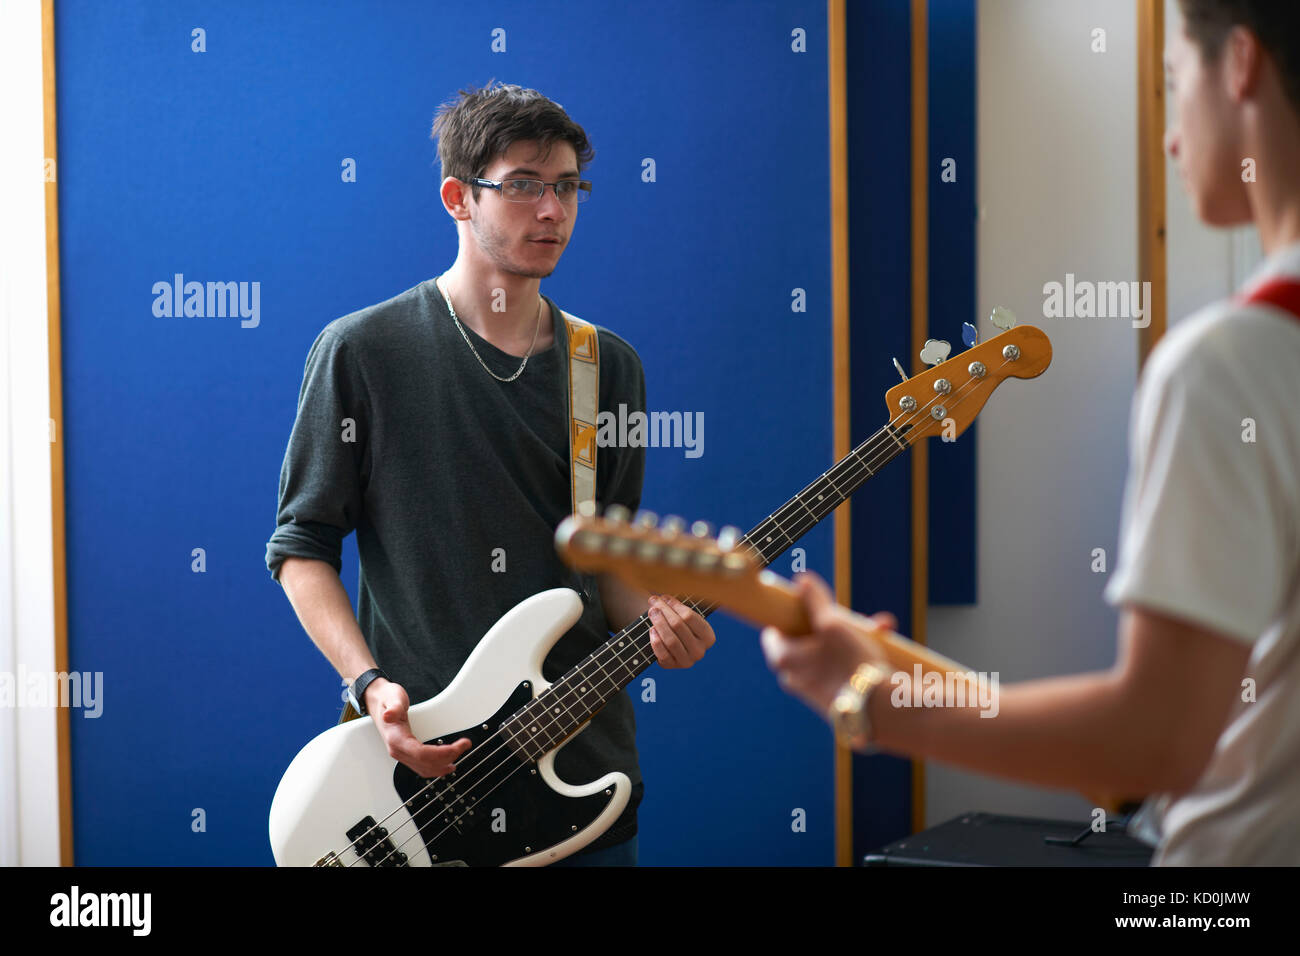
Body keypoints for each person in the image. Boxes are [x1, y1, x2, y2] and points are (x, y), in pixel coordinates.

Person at [762, 0, 1300, 866]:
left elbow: (1152, 742)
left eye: (1173, 84)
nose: (1169, 139)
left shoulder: (1230, 363)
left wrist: (871, 698)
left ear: (1239, 65)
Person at [265, 81, 715, 867]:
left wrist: (659, 620)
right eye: (523, 186)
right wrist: (370, 683)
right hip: (417, 782)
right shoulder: (362, 353)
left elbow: (604, 568)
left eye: (568, 186)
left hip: (583, 773)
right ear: (457, 198)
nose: (553, 210)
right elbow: (301, 548)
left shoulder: (605, 367)